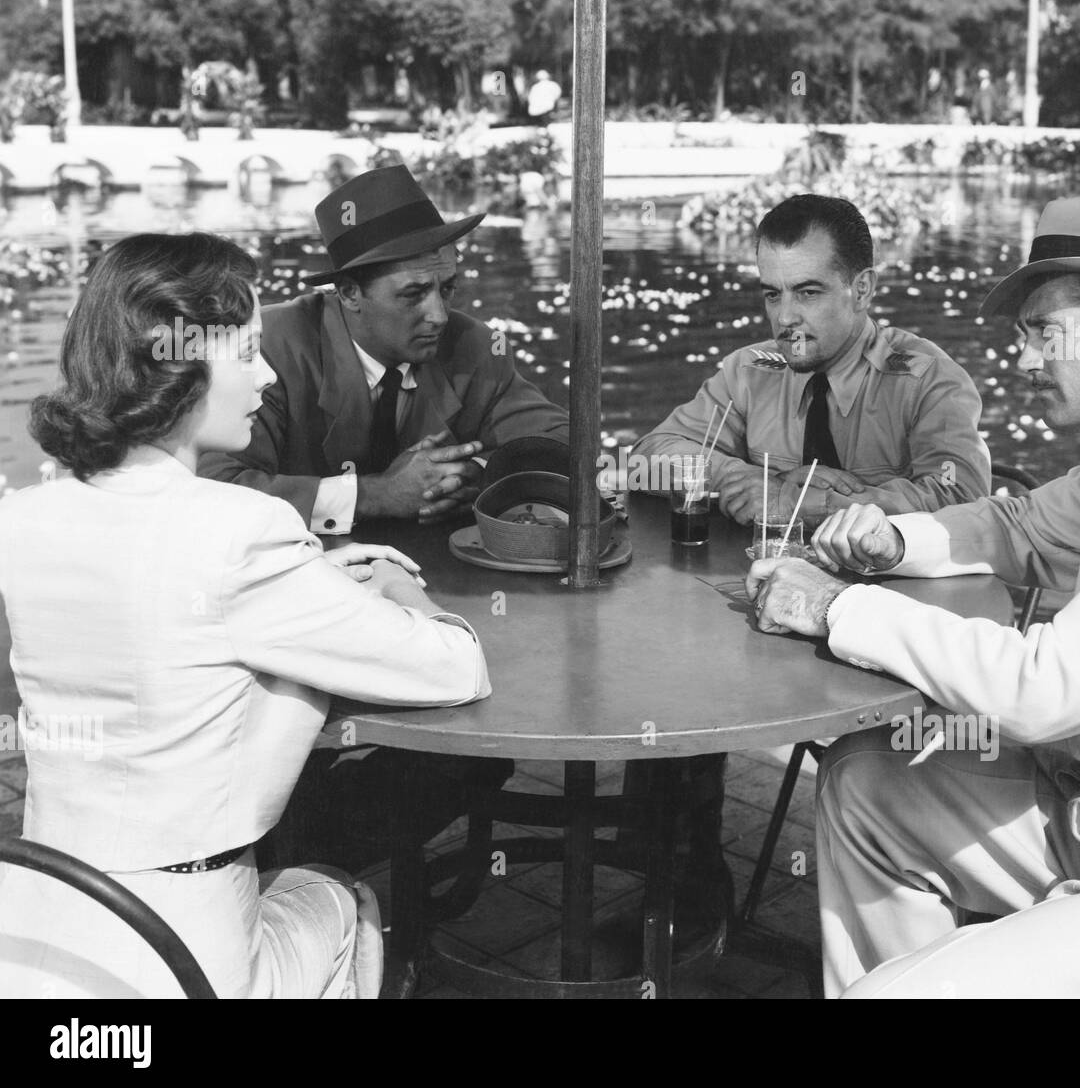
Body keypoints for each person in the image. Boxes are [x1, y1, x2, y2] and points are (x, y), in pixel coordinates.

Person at [746, 195, 1080, 998]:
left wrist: (836, 608)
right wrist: (896, 541)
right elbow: (1016, 527)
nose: (1026, 361)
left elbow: (1047, 691)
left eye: (1047, 333)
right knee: (867, 781)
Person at [0, 233, 491, 997]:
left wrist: (313, 576)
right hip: (183, 950)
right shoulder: (242, 529)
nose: (265, 374)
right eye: (248, 350)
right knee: (341, 897)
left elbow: (148, 597)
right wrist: (400, 589)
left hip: (41, 929)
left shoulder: (25, 518)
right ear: (181, 363)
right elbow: (455, 668)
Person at [200, 164, 565, 869]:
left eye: (448, 287)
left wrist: (471, 477)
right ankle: (302, 860)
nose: (438, 312)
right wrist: (374, 494)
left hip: (424, 605)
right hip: (291, 615)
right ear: (349, 297)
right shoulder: (270, 350)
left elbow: (555, 443)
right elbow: (217, 490)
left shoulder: (469, 344)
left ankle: (335, 854)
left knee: (480, 746)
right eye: (414, 293)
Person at [632, 194, 990, 526]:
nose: (785, 318)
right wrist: (745, 478)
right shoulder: (749, 371)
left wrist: (801, 503)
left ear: (862, 290)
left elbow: (963, 498)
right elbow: (647, 459)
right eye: (773, 294)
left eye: (808, 293)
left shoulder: (927, 381)